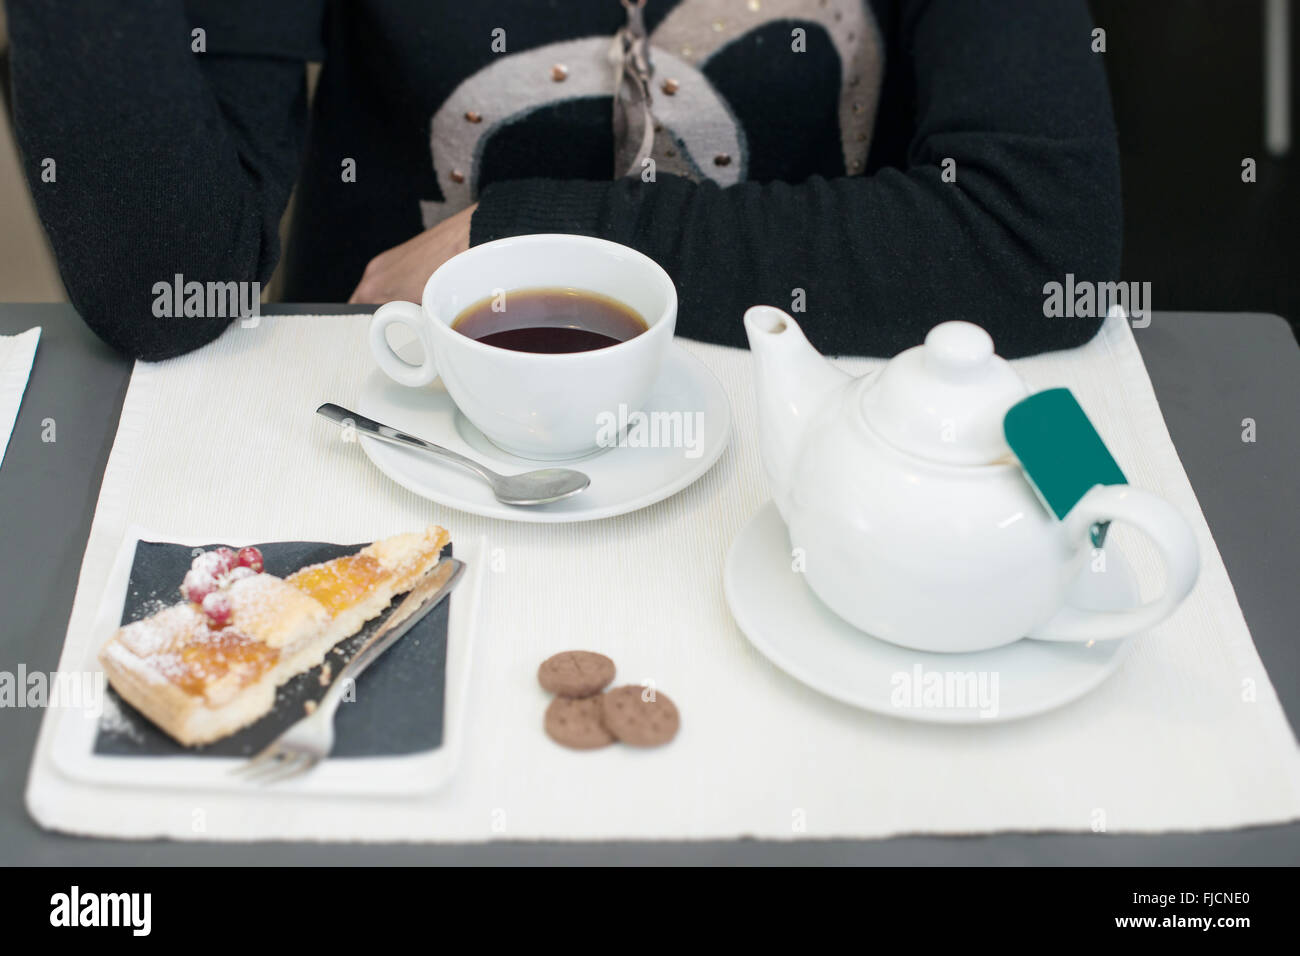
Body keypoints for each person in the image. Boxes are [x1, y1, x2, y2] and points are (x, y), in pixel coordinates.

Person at [7, 0, 1120, 361]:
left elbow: (1037, 241)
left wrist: (532, 238)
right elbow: (164, 281)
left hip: (822, 452)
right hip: (401, 422)